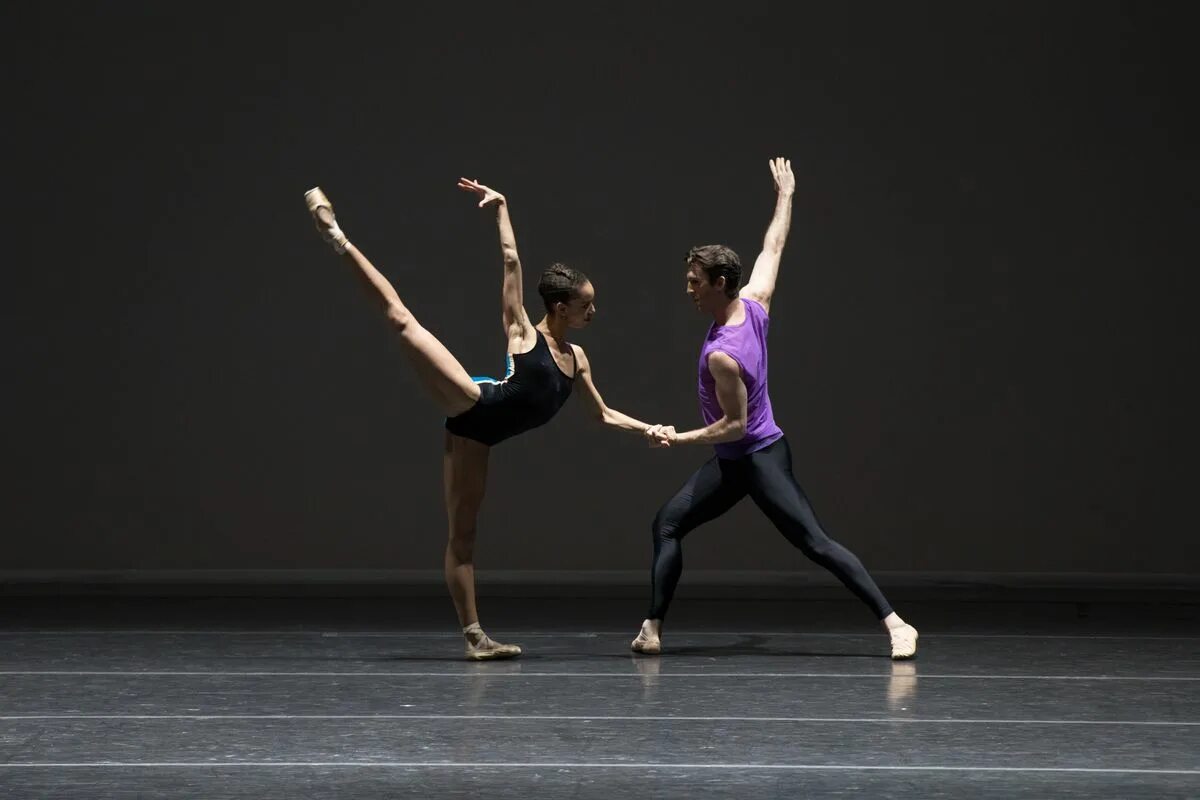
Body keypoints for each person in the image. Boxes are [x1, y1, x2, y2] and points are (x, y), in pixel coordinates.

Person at [305, 178, 668, 660]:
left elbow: (602, 415)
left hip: (479, 439)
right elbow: (512, 262)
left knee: (464, 536)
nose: (594, 311)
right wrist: (502, 209)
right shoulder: (523, 330)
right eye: (586, 305)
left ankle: (476, 639)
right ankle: (337, 236)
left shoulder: (577, 358)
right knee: (401, 320)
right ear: (561, 308)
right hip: (474, 402)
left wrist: (649, 428)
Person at [632, 158, 919, 660]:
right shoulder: (755, 300)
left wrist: (676, 438)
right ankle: (652, 628)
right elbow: (773, 247)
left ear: (720, 282)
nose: (688, 288)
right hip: (731, 463)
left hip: (760, 458)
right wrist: (785, 197)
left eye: (695, 281)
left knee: (815, 543)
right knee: (667, 524)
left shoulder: (724, 353)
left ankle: (897, 624)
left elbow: (735, 425)